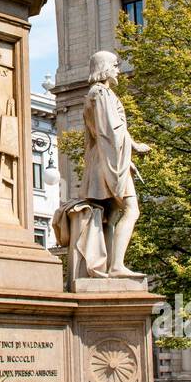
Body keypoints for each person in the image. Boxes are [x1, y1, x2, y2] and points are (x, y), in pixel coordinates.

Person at [79, 50, 151, 277]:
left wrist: (128, 155)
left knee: (109, 215)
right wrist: (132, 150)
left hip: (104, 159)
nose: (118, 70)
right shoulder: (100, 93)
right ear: (105, 67)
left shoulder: (98, 94)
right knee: (132, 210)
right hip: (108, 160)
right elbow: (110, 130)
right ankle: (116, 265)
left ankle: (110, 266)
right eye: (115, 65)